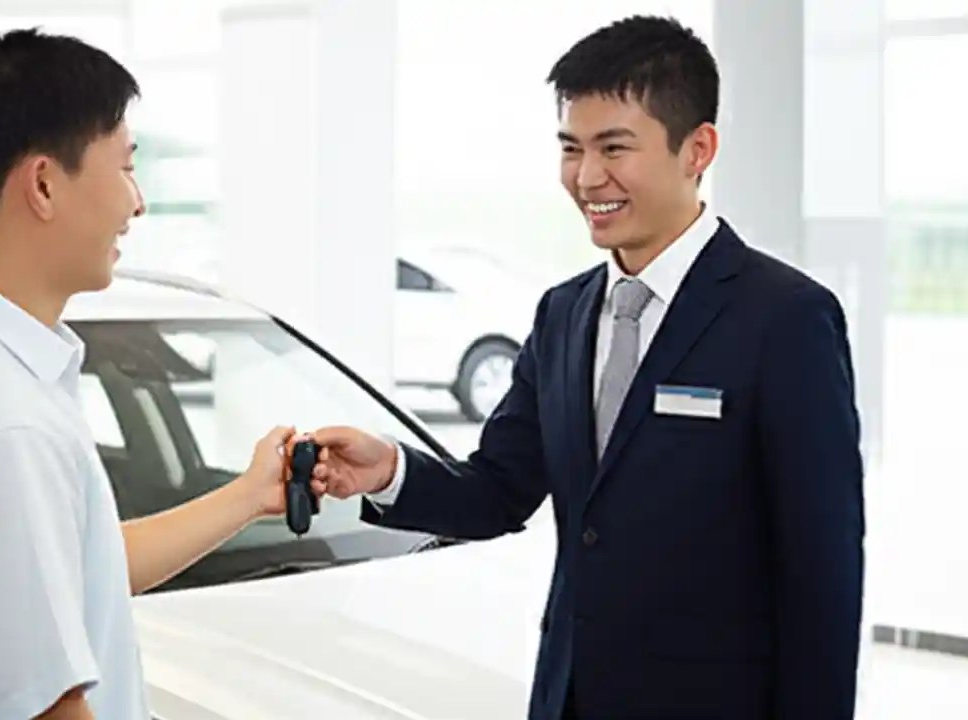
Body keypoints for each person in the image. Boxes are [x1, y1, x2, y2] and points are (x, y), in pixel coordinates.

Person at [310, 15, 865, 720]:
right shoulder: (563, 313)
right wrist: (389, 470)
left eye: (614, 148)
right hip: (571, 698)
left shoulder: (784, 319)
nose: (586, 177)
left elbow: (822, 570)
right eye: (571, 148)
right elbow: (500, 490)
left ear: (698, 149)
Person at [0, 29, 296, 720]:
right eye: (125, 167)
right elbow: (50, 710)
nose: (136, 203)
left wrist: (249, 496)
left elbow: (81, 566)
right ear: (46, 184)